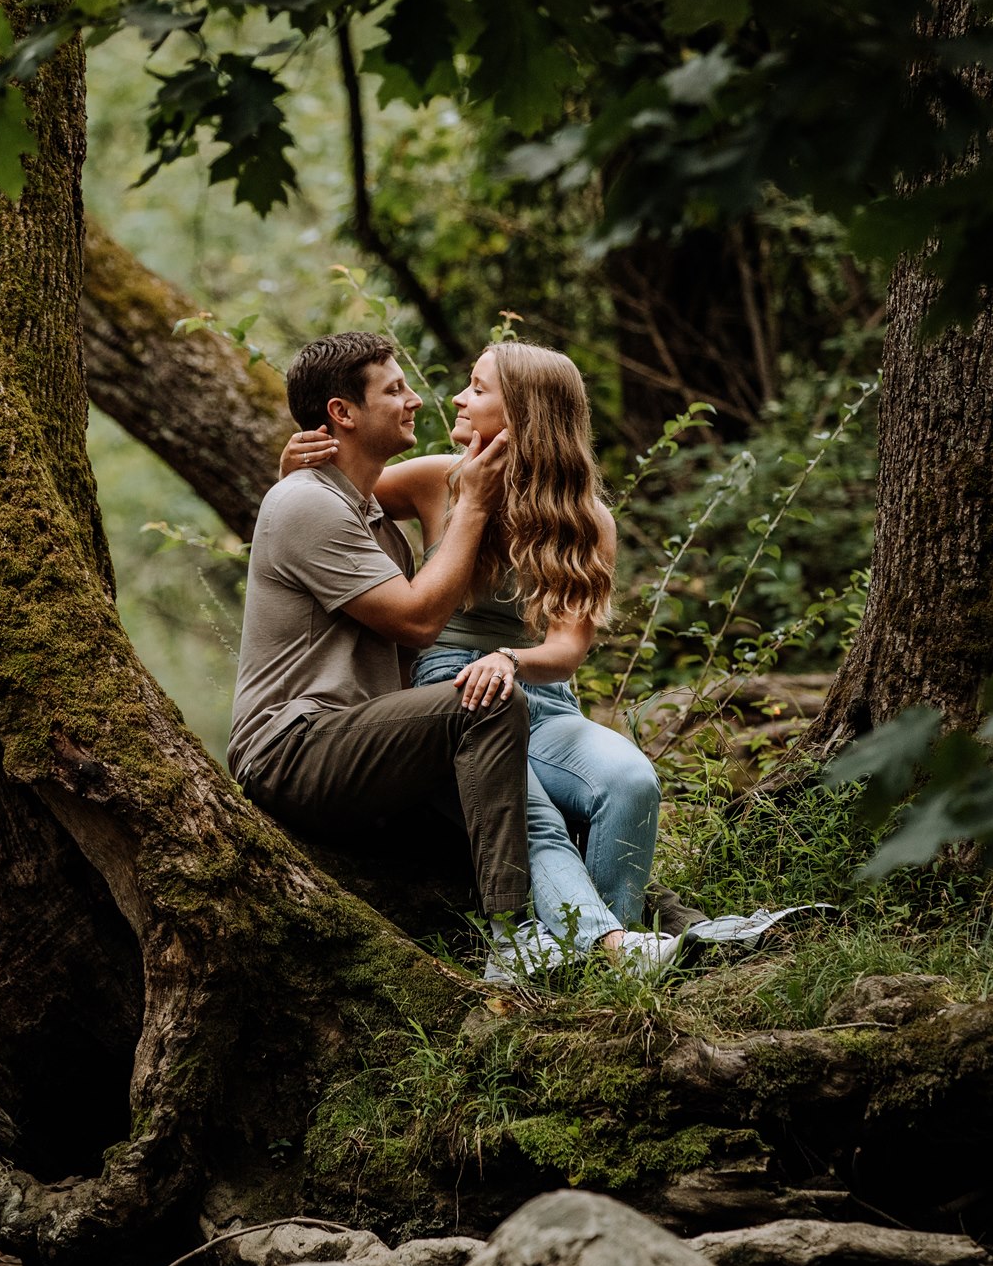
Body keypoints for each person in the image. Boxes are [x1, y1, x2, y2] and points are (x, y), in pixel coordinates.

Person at [280, 340, 673, 976]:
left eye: (478, 389)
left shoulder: (587, 519)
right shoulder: (438, 480)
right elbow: (335, 499)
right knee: (529, 814)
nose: (459, 399)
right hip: (454, 695)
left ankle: (611, 960)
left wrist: (512, 660)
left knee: (632, 782)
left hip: (543, 701)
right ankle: (608, 953)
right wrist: (294, 465)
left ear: (522, 414)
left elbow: (567, 648)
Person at [229, 331, 541, 951]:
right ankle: (515, 945)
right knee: (489, 703)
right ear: (342, 413)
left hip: (362, 743)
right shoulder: (306, 503)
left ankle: (674, 925)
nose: (415, 400)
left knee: (541, 808)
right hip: (291, 747)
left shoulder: (370, 518)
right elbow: (419, 622)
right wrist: (473, 507)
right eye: (394, 390)